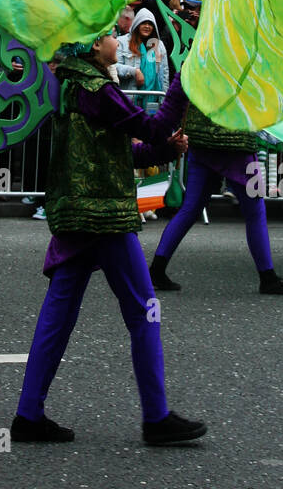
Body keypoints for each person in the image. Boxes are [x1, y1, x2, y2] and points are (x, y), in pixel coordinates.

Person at [11, 32, 206, 447]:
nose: (116, 41)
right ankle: (156, 417)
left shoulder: (69, 85)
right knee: (145, 310)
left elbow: (117, 152)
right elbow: (152, 127)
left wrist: (164, 152)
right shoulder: (97, 88)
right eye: (106, 37)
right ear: (92, 49)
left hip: (77, 216)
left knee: (57, 317)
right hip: (104, 217)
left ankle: (29, 414)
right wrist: (183, 83)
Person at [149, 89, 283, 295]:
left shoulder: (201, 58)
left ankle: (157, 269)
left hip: (202, 141)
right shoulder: (243, 58)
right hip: (237, 143)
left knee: (190, 209)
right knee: (255, 211)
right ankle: (268, 277)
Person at [115, 7, 169, 107]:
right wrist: (134, 71)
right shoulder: (122, 42)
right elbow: (114, 67)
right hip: (128, 100)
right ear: (137, 24)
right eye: (143, 23)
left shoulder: (158, 45)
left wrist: (163, 101)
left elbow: (164, 74)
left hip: (153, 99)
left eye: (150, 24)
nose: (147, 26)